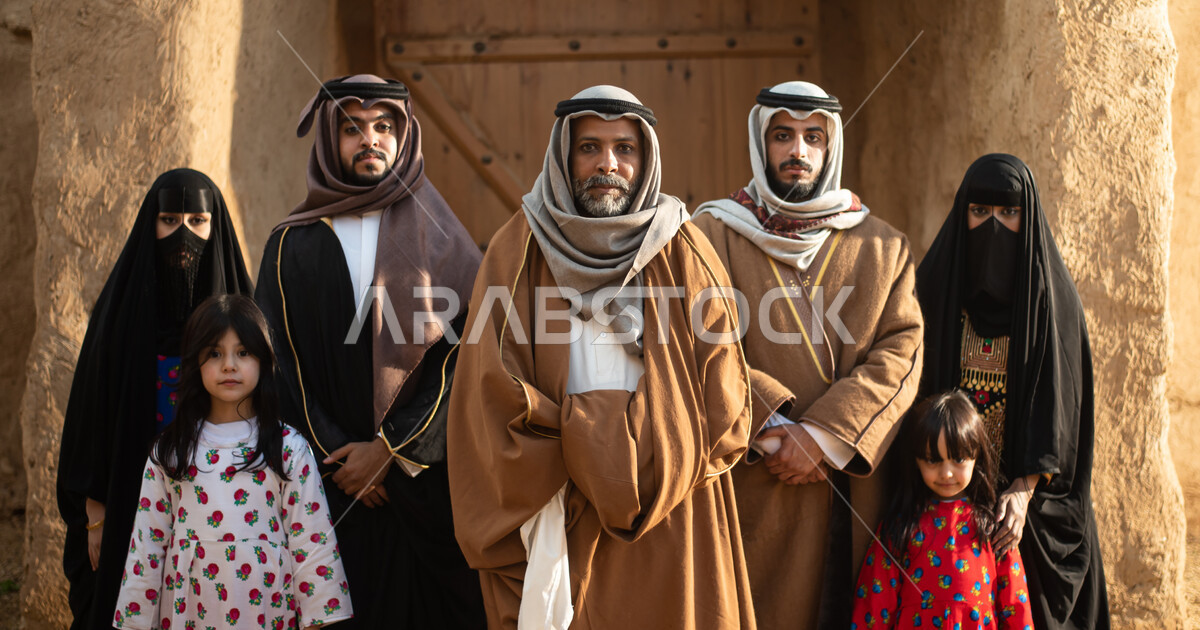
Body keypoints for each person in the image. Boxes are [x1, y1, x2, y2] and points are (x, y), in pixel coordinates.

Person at [447, 86, 756, 629]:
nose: (607, 164)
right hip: (558, 500)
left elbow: (723, 390)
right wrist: (588, 449)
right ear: (564, 157)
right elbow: (489, 384)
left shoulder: (683, 246)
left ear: (645, 157)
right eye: (589, 147)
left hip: (673, 502)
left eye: (624, 149)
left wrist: (643, 454)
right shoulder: (516, 247)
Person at [255, 74, 485, 628]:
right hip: (329, 493)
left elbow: (463, 359)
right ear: (329, 139)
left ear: (404, 136)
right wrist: (341, 457)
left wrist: (390, 450)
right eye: (352, 128)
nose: (370, 140)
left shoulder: (442, 238)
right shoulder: (291, 244)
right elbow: (279, 364)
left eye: (383, 126)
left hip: (426, 490)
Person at [690, 81, 924, 627]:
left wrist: (821, 436)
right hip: (754, 479)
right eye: (783, 135)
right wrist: (775, 429)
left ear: (830, 145)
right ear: (761, 143)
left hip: (852, 485)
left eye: (812, 137)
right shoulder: (708, 235)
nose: (798, 150)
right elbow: (698, 341)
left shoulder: (883, 246)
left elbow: (901, 350)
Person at [916, 153, 1109, 628]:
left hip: (1028, 512)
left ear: (1028, 217)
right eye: (980, 212)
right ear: (963, 213)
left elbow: (1063, 411)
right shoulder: (935, 290)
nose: (994, 226)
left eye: (1009, 213)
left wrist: (1022, 490)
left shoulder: (1055, 305)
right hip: (944, 500)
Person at [56, 168, 253, 630]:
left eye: (197, 221)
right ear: (152, 224)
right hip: (128, 497)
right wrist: (95, 511)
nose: (183, 235)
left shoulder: (241, 322)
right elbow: (91, 411)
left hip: (219, 502)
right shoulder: (120, 317)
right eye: (169, 220)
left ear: (215, 227)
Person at [112, 295, 351, 630]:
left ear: (263, 360)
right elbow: (147, 545)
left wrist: (317, 619)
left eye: (243, 352)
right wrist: (135, 621)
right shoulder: (170, 452)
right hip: (188, 611)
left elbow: (312, 543)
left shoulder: (289, 449)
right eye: (214, 353)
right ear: (195, 361)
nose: (229, 365)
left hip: (267, 611)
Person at [850, 390, 1034, 629]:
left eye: (958, 460)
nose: (946, 473)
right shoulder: (899, 529)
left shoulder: (994, 529)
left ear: (976, 456)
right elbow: (873, 611)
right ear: (916, 461)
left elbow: (1017, 609)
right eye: (932, 460)